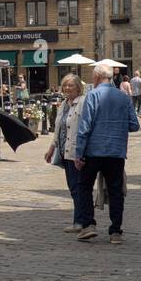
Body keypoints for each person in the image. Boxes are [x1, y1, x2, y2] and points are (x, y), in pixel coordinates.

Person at [73, 62, 139, 244]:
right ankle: (115, 232)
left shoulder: (92, 95)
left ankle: (89, 224)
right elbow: (134, 125)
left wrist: (78, 154)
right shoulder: (124, 98)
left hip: (93, 151)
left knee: (84, 186)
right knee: (116, 191)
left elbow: (84, 127)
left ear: (96, 77)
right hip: (116, 152)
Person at [45, 74, 85, 233]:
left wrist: (81, 152)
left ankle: (81, 221)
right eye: (65, 85)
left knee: (77, 187)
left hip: (76, 152)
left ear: (78, 87)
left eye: (71, 85)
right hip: (64, 151)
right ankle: (81, 220)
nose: (67, 88)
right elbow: (58, 128)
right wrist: (52, 147)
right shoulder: (64, 104)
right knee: (73, 187)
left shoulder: (82, 103)